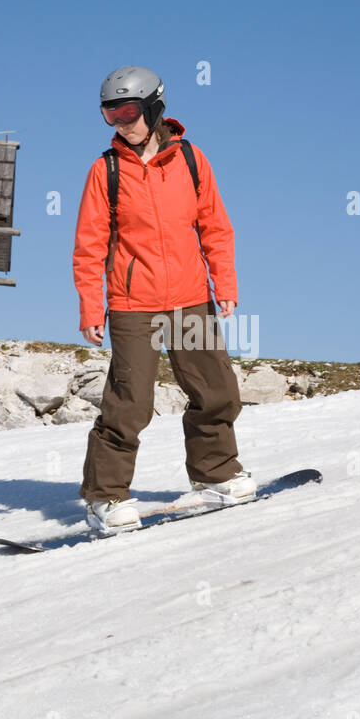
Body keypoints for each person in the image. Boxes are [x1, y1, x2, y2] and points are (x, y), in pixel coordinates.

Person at [73, 65, 255, 534]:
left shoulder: (191, 161)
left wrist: (225, 285)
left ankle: (216, 476)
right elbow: (89, 247)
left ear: (154, 108)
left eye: (128, 111)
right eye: (110, 114)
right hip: (135, 305)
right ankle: (105, 497)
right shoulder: (105, 171)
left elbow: (215, 227)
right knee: (129, 403)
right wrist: (92, 308)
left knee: (216, 392)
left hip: (191, 299)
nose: (121, 122)